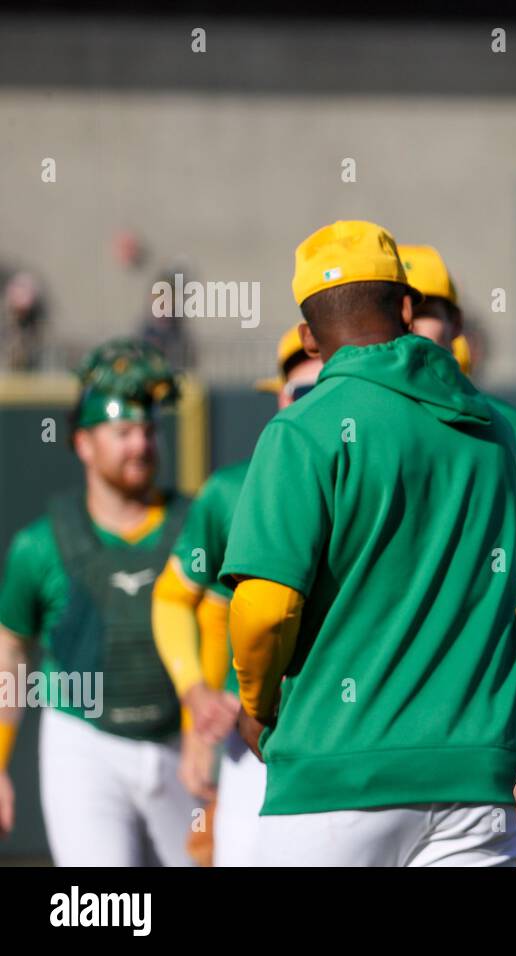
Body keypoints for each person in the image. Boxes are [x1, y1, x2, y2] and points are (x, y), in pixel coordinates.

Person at [219, 221, 516, 866]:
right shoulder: (490, 428)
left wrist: (255, 703)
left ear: (307, 335)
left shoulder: (302, 429)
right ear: (408, 308)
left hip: (336, 774)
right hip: (474, 775)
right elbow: (511, 601)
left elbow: (266, 607)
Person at [0, 339, 199, 864]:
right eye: (124, 431)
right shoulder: (39, 545)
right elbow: (12, 654)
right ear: (84, 443)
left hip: (182, 739)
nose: (141, 444)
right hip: (85, 743)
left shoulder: (197, 525)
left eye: (149, 430)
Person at [151, 326, 322, 866]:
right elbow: (175, 599)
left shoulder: (391, 481)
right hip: (257, 736)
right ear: (279, 397)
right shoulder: (231, 490)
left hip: (357, 730)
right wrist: (195, 698)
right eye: (302, 392)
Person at [399, 243, 516, 449]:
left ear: (456, 323)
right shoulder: (350, 418)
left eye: (423, 311)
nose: (409, 324)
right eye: (394, 313)